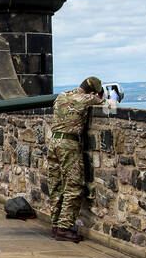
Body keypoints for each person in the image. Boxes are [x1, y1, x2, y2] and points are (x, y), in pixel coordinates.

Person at [46, 76, 107, 242]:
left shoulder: (62, 95)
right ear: (93, 91)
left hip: (53, 142)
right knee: (74, 185)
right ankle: (64, 228)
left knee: (56, 184)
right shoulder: (87, 99)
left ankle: (55, 224)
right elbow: (108, 105)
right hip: (68, 144)